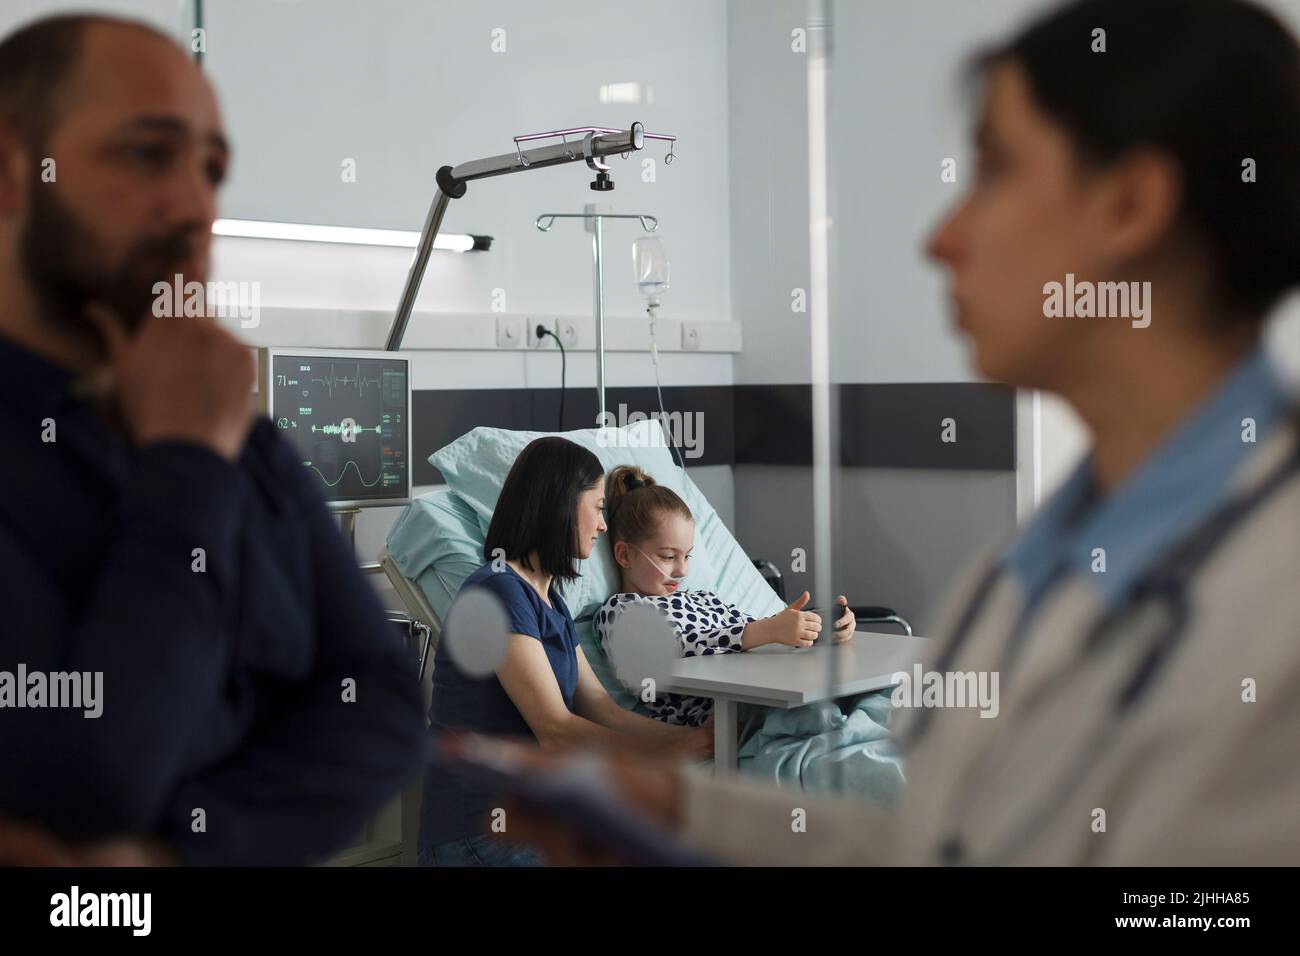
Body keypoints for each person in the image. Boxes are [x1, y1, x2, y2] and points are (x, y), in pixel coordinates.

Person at [499, 0, 1300, 866]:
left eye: (992, 171)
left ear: (1131, 203)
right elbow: (941, 841)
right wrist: (684, 815)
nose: (940, 239)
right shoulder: (1033, 561)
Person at [0, 14, 425, 865]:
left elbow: (383, 704)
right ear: (13, 174)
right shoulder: (203, 431)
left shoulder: (243, 433)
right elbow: (97, 774)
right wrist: (187, 463)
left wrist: (184, 854)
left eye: (211, 169)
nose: (198, 207)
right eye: (148, 154)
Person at [418, 438, 712, 867]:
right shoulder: (499, 590)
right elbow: (555, 729)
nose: (603, 525)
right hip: (479, 832)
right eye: (596, 507)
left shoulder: (551, 602)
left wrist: (695, 742)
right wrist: (668, 754)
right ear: (559, 504)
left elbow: (601, 709)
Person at [596, 464, 854, 727]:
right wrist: (766, 630)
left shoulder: (702, 599)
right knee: (827, 722)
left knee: (866, 705)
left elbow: (755, 634)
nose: (683, 569)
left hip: (763, 702)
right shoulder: (621, 611)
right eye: (668, 556)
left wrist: (815, 627)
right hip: (719, 726)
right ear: (625, 555)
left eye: (687, 556)